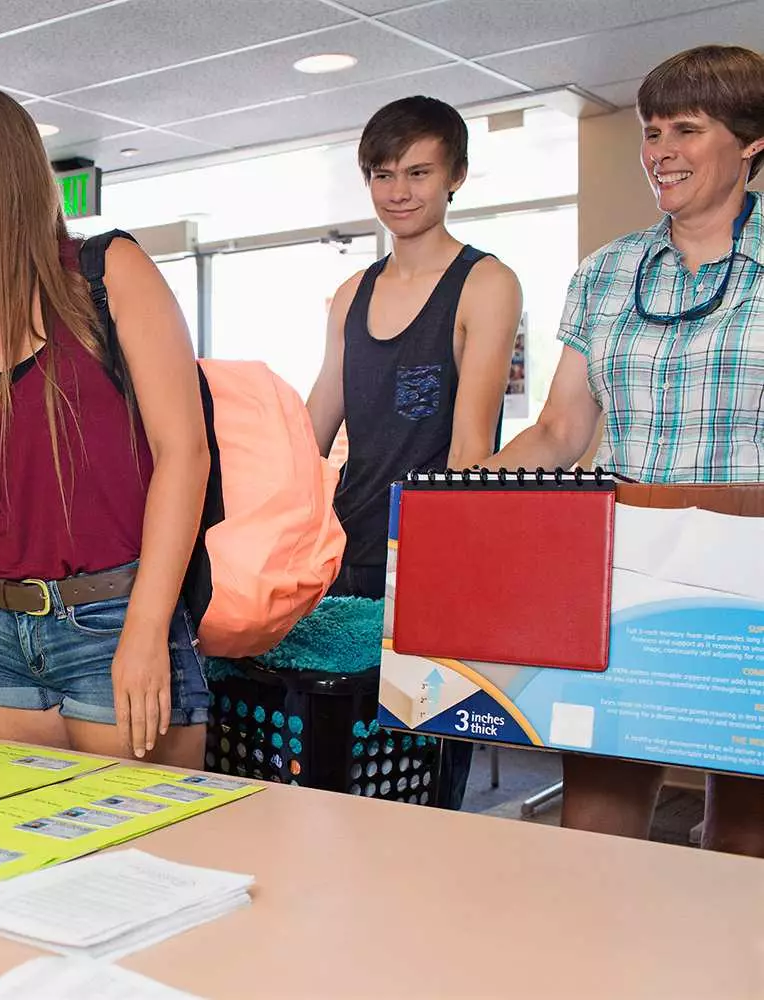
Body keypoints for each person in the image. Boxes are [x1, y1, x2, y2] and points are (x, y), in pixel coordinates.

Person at [487, 45, 764, 856]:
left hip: (751, 582)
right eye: (650, 131)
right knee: (595, 835)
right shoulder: (607, 273)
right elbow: (562, 432)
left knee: (746, 842)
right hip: (628, 577)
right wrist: (447, 501)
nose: (660, 151)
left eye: (687, 128)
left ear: (750, 141)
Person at [0, 87, 211, 765]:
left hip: (111, 620)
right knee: (24, 864)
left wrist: (145, 630)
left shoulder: (107, 272)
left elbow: (184, 454)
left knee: (142, 866)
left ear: (17, 164)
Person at [305, 95, 522, 808]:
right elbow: (315, 426)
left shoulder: (485, 283)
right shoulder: (350, 293)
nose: (398, 192)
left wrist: (450, 578)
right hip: (348, 555)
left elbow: (468, 446)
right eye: (383, 174)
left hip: (435, 560)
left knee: (424, 777)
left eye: (418, 173)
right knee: (343, 766)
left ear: (455, 175)